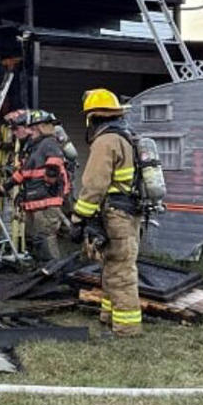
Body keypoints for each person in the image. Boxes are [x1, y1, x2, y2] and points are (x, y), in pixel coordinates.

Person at [71, 88, 142, 338]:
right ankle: (109, 318)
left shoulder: (106, 141)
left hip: (116, 215)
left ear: (92, 117)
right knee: (113, 266)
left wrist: (79, 218)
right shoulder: (126, 136)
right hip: (127, 212)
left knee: (120, 271)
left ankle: (126, 329)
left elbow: (94, 185)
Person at [3, 109, 70, 263]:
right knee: (35, 241)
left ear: (40, 128)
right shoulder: (33, 147)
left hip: (46, 203)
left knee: (45, 240)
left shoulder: (49, 143)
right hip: (34, 202)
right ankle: (40, 270)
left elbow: (54, 165)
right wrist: (5, 187)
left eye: (31, 128)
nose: (29, 131)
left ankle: (53, 271)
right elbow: (24, 172)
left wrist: (47, 184)